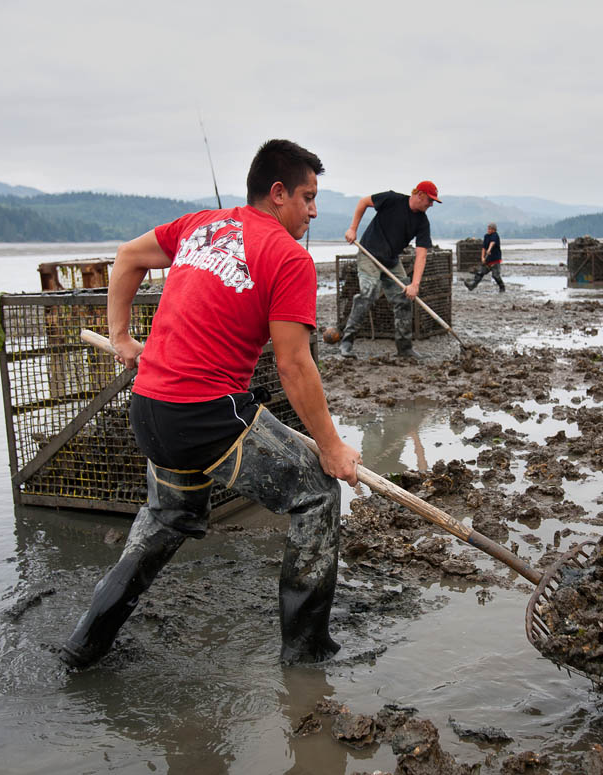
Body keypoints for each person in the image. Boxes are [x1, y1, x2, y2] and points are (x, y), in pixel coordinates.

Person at [60, 139, 362, 670]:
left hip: (150, 407)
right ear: (277, 193)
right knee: (316, 493)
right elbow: (294, 365)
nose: (314, 211)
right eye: (308, 197)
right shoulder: (290, 257)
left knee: (168, 517)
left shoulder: (199, 225)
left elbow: (128, 257)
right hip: (206, 414)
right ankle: (307, 657)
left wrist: (124, 338)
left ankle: (84, 647)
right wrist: (332, 447)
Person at [338, 181, 441, 360]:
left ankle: (404, 348)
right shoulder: (392, 199)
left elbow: (421, 255)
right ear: (420, 194)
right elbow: (363, 202)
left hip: (391, 261)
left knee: (404, 296)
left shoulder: (422, 222)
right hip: (369, 254)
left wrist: (415, 285)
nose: (431, 205)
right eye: (430, 200)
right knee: (369, 292)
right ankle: (347, 342)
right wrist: (353, 228)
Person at [464, 222, 505, 292]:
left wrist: (489, 250)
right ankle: (472, 286)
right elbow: (484, 248)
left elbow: (492, 243)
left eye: (490, 229)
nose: (488, 230)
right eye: (488, 229)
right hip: (487, 260)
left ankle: (502, 287)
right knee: (480, 273)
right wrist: (482, 257)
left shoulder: (495, 235)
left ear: (493, 230)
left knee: (495, 275)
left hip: (495, 259)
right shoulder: (486, 236)